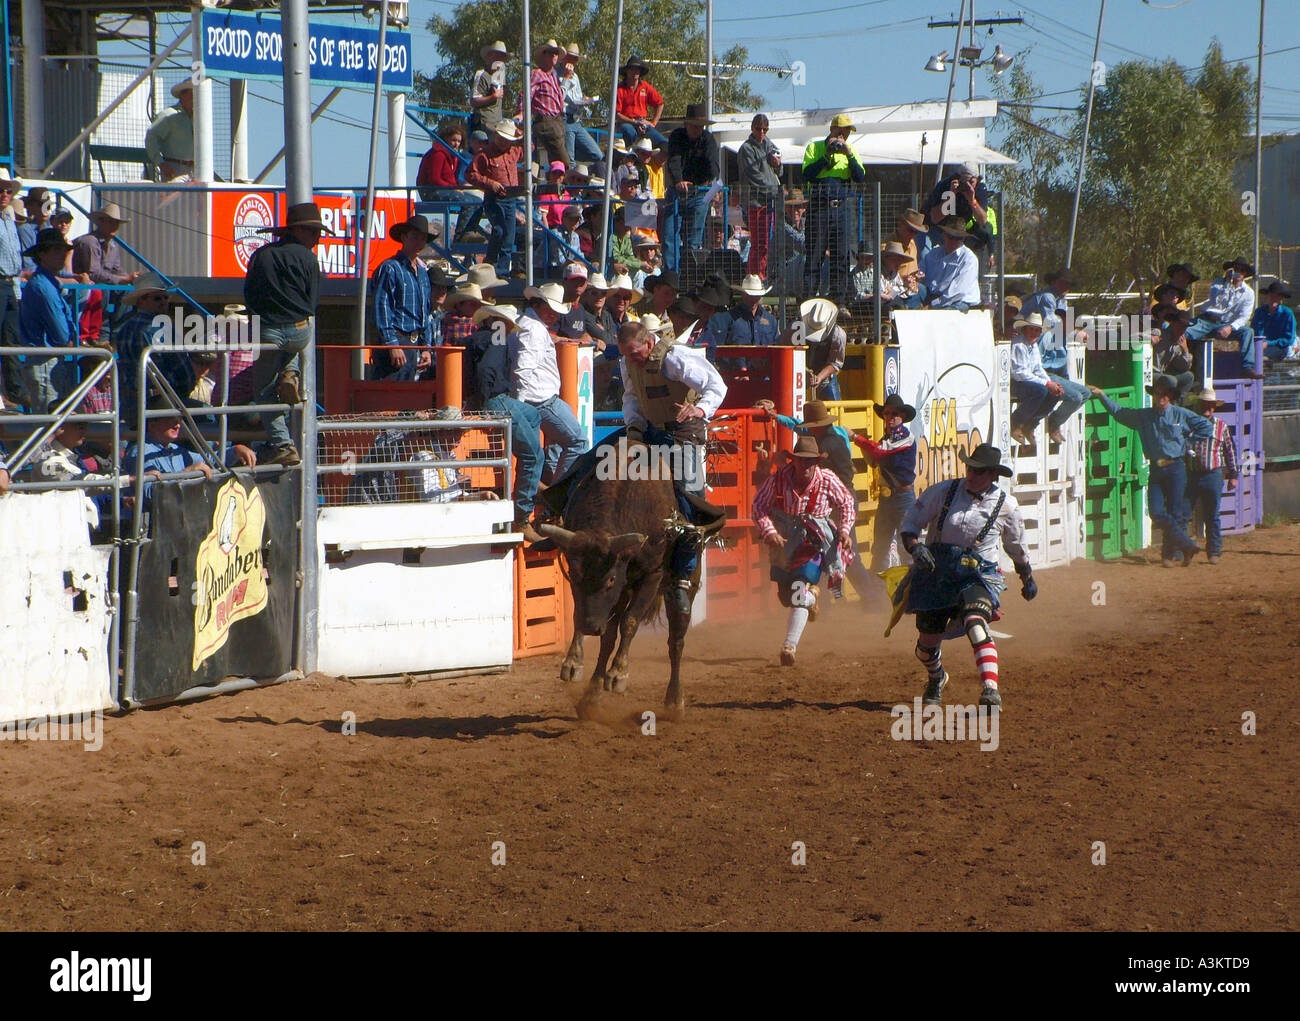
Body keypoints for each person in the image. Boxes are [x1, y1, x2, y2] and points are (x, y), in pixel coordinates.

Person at [897, 443, 1033, 711]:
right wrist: (916, 547)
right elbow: (911, 521)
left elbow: (1016, 545)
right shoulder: (943, 491)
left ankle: (990, 690)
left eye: (980, 472)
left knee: (976, 622)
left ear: (994, 475)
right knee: (926, 645)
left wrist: (1026, 575)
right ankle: (937, 677)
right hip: (937, 573)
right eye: (970, 468)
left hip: (978, 574)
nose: (971, 475)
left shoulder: (1007, 506)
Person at [616, 319, 727, 608]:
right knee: (601, 461)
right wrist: (634, 426)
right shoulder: (627, 362)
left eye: (635, 354)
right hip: (651, 429)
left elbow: (717, 385)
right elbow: (632, 397)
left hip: (683, 432)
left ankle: (682, 573)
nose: (632, 360)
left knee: (689, 494)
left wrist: (699, 408)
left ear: (648, 344)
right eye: (627, 355)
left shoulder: (676, 358)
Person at [1087, 374, 1215, 567]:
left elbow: (1206, 427)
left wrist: (1188, 442)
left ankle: (1171, 555)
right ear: (1154, 395)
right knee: (1157, 512)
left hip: (1175, 465)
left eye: (1165, 394)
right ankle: (1186, 545)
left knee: (1174, 512)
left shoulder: (1180, 414)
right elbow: (1119, 412)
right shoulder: (1144, 416)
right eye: (1158, 393)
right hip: (1158, 467)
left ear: (1170, 396)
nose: (1161, 397)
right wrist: (1103, 396)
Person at [753, 434, 857, 666]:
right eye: (802, 461)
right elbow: (759, 506)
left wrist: (844, 530)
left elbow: (846, 503)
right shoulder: (778, 479)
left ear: (817, 462)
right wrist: (770, 531)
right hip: (785, 542)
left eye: (810, 461)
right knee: (785, 596)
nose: (806, 466)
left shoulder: (827, 479)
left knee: (798, 590)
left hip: (813, 542)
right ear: (794, 461)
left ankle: (789, 646)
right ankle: (812, 599)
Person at [243, 202, 329, 467]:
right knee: (295, 338)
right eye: (315, 233)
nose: (318, 238)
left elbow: (250, 296)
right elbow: (312, 302)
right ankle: (291, 373)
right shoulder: (309, 259)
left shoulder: (261, 256)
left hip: (269, 331)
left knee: (264, 391)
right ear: (300, 231)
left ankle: (282, 444)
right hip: (300, 332)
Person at [462, 303, 544, 527]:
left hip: (492, 398)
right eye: (506, 323)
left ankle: (531, 480)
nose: (507, 328)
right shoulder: (497, 339)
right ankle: (522, 517)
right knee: (533, 455)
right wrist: (485, 400)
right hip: (495, 400)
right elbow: (487, 370)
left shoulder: (478, 338)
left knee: (533, 415)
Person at [511, 282, 588, 480]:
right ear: (537, 304)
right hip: (540, 399)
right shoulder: (534, 329)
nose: (555, 315)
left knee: (545, 450)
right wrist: (518, 406)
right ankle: (557, 494)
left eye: (557, 311)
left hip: (535, 399)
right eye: (551, 309)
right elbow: (523, 369)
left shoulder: (524, 323)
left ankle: (550, 489)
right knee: (577, 442)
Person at [851, 394, 918, 610]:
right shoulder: (887, 439)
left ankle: (909, 597)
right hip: (889, 498)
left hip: (902, 498)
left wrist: (857, 439)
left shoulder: (906, 437)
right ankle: (877, 599)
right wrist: (865, 446)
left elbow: (880, 453)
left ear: (903, 416)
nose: (889, 417)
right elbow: (874, 459)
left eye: (894, 414)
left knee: (904, 547)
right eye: (887, 413)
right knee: (880, 548)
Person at [801, 113, 865, 303]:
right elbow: (807, 175)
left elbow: (860, 177)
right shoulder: (814, 147)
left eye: (847, 131)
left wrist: (849, 154)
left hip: (841, 210)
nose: (843, 135)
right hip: (819, 208)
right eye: (840, 131)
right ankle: (809, 298)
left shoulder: (850, 150)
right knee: (814, 255)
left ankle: (839, 300)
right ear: (832, 130)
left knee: (841, 256)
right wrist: (826, 155)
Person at [113, 273, 196, 416]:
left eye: (166, 297)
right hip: (163, 403)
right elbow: (183, 370)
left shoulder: (123, 329)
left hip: (132, 405)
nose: (164, 301)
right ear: (141, 301)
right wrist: (184, 391)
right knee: (210, 417)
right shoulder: (161, 327)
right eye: (157, 298)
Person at [18, 228, 78, 410]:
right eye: (56, 250)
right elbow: (61, 335)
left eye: (63, 250)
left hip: (46, 359)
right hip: (45, 360)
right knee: (49, 423)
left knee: (52, 422)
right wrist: (69, 341)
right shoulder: (44, 287)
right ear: (42, 254)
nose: (62, 255)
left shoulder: (45, 283)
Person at [373, 215, 437, 380]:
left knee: (406, 398)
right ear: (403, 237)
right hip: (397, 339)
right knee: (390, 397)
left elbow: (425, 313)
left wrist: (425, 348)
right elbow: (382, 307)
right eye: (414, 237)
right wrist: (392, 344)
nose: (419, 242)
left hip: (413, 344)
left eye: (423, 238)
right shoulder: (390, 268)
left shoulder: (423, 273)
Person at [1185, 386, 1238, 566]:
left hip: (1212, 474)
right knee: (1183, 513)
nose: (1208, 408)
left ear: (1214, 407)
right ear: (1200, 405)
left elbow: (1229, 451)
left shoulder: (1221, 426)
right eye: (1205, 404)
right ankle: (1179, 549)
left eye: (1211, 405)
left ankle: (1214, 551)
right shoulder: (1189, 424)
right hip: (1191, 474)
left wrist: (1233, 474)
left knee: (1212, 515)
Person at [662, 104, 719, 273]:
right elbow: (674, 161)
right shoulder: (676, 136)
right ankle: (672, 276)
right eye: (694, 126)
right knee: (669, 237)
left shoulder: (708, 139)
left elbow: (713, 166)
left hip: (700, 193)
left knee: (693, 239)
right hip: (676, 193)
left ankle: (689, 276)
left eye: (700, 126)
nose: (697, 129)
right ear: (686, 124)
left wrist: (709, 184)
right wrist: (679, 180)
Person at [466, 122, 525, 279]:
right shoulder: (484, 155)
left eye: (508, 139)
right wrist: (490, 183)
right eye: (502, 138)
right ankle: (491, 262)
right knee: (499, 230)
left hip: (510, 199)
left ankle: (503, 270)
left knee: (509, 236)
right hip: (493, 198)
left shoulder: (514, 151)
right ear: (495, 136)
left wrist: (521, 132)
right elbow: (471, 174)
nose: (504, 142)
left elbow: (530, 146)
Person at [1185, 258, 1260, 379]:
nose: (1238, 272)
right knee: (1186, 332)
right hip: (1208, 321)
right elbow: (1215, 300)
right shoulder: (1218, 283)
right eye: (1236, 269)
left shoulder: (1249, 293)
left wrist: (1230, 327)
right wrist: (1228, 282)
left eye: (1241, 270)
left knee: (1248, 332)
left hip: (1227, 324)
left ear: (1245, 274)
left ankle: (1247, 367)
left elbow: (1244, 316)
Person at [1007, 311, 1066, 445]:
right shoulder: (1018, 345)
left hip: (1026, 381)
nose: (1034, 333)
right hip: (1015, 382)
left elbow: (1038, 368)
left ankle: (1030, 425)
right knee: (1040, 391)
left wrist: (1051, 384)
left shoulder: (1033, 346)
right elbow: (1020, 373)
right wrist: (1047, 383)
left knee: (1054, 394)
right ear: (1025, 329)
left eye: (1037, 330)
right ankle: (1015, 422)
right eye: (1031, 329)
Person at [738, 114, 782, 281]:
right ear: (752, 128)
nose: (762, 132)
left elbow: (780, 170)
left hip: (769, 202)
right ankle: (754, 276)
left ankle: (761, 275)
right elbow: (753, 175)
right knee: (757, 243)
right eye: (758, 129)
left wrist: (777, 164)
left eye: (765, 129)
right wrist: (774, 190)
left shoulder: (769, 146)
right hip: (755, 202)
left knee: (765, 244)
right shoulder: (747, 149)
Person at [517, 38, 569, 170]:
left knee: (556, 163)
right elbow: (526, 94)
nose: (554, 55)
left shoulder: (554, 75)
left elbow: (558, 97)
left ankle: (556, 185)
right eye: (550, 52)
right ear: (543, 55)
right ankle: (567, 183)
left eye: (556, 53)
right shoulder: (537, 74)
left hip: (558, 120)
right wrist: (521, 112)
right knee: (564, 162)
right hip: (546, 121)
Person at [781, 297, 845, 400]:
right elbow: (784, 351)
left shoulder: (838, 335)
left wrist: (820, 376)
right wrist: (803, 370)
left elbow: (835, 363)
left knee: (834, 406)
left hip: (825, 377)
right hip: (796, 374)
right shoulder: (793, 330)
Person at [0, 171, 26, 408]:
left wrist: (16, 289)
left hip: (9, 282)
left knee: (11, 340)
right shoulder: (6, 219)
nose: (4, 195)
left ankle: (14, 392)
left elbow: (14, 257)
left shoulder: (8, 219)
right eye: (1, 190)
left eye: (8, 190)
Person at [920, 217, 980, 310]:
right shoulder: (933, 253)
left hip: (959, 301)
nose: (954, 241)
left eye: (958, 238)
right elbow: (920, 273)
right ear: (944, 235)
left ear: (963, 238)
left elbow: (957, 293)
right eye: (951, 237)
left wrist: (931, 306)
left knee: (945, 313)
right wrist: (914, 281)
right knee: (916, 291)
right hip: (934, 296)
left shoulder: (969, 259)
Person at [705, 275, 779, 348]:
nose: (753, 299)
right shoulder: (727, 319)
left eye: (756, 296)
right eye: (750, 295)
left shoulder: (771, 321)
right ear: (743, 294)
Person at [560, 44, 603, 166]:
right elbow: (559, 97)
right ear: (564, 57)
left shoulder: (576, 77)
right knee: (571, 162)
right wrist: (566, 77)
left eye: (575, 58)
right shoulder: (557, 74)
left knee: (597, 154)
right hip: (565, 119)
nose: (572, 61)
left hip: (576, 120)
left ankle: (562, 152)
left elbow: (577, 98)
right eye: (570, 57)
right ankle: (565, 158)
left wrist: (586, 100)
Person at [144, 80, 195, 182]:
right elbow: (151, 137)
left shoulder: (198, 117)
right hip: (174, 169)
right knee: (175, 197)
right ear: (182, 96)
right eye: (192, 95)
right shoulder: (169, 115)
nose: (195, 98)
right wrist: (161, 163)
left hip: (195, 170)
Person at [615, 56, 668, 148]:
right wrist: (634, 122)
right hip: (626, 124)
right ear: (627, 71)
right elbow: (617, 115)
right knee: (629, 132)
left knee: (664, 143)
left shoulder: (645, 86)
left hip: (642, 124)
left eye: (637, 69)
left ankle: (653, 159)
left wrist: (653, 123)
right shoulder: (619, 89)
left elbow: (660, 103)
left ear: (640, 72)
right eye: (632, 69)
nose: (635, 72)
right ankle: (630, 157)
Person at [1151, 306, 1196, 394]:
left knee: (1189, 377)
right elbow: (1138, 336)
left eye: (1185, 327)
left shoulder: (1178, 344)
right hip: (1150, 372)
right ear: (1173, 323)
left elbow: (1183, 368)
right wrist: (1150, 338)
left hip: (1163, 373)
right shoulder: (1159, 333)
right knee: (1171, 381)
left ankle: (1176, 403)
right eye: (1180, 325)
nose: (1182, 329)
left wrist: (1185, 351)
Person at [470, 40, 509, 137]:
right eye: (497, 56)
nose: (500, 60)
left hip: (496, 126)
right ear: (489, 57)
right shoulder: (482, 74)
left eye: (502, 57)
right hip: (483, 124)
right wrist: (493, 96)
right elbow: (474, 101)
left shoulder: (500, 76)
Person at [1254, 280, 1297, 362]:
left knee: (1257, 354)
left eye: (1277, 296)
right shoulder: (1259, 312)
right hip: (1260, 347)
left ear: (1281, 298)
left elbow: (1289, 339)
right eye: (1271, 295)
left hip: (1281, 348)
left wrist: (1268, 344)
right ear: (1267, 296)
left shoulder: (1287, 313)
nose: (1273, 298)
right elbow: (1254, 332)